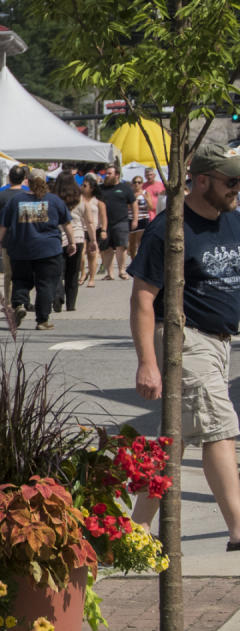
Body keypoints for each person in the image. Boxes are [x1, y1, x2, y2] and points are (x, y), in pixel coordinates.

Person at [128, 142, 240, 554]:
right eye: (231, 181)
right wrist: (147, 363)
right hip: (184, 339)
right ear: (203, 180)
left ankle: (134, 531)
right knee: (220, 429)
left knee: (175, 441)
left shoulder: (233, 221)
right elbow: (143, 298)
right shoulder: (168, 229)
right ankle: (238, 531)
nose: (237, 189)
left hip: (220, 342)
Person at [0, 170, 77, 331]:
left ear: (28, 181)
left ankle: (19, 304)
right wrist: (72, 242)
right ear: (45, 181)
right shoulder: (54, 200)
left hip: (21, 248)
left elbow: (3, 224)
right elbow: (67, 223)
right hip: (48, 250)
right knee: (46, 284)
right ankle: (42, 319)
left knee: (20, 280)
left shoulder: (16, 200)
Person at [0, 164, 28, 304]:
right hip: (26, 238)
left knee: (8, 273)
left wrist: (1, 231)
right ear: (24, 178)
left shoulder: (0, 196)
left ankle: (8, 301)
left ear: (9, 178)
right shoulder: (28, 195)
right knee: (24, 272)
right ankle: (23, 300)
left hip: (7, 240)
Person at [54, 170, 85, 313]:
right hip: (77, 236)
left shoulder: (54, 199)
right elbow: (89, 221)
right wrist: (93, 239)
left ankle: (58, 296)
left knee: (58, 271)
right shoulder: (80, 198)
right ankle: (71, 303)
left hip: (59, 237)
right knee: (73, 272)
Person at [100, 164, 138, 280]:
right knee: (106, 248)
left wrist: (135, 219)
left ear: (116, 175)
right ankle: (109, 273)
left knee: (121, 246)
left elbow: (134, 203)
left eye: (109, 173)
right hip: (104, 224)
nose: (107, 175)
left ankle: (122, 270)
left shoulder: (125, 188)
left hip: (121, 221)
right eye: (106, 173)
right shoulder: (101, 188)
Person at [77, 175, 105, 288]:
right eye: (82, 185)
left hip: (94, 229)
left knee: (92, 254)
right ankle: (83, 273)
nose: (82, 187)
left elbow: (104, 217)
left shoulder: (98, 202)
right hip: (81, 229)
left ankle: (92, 278)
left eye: (85, 185)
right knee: (80, 253)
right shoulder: (78, 199)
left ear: (92, 188)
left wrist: (104, 230)